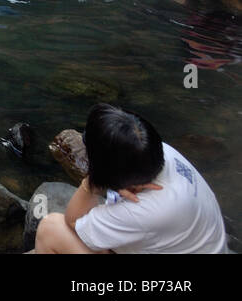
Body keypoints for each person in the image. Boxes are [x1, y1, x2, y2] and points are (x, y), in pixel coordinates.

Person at [34, 104, 227, 253]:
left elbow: (73, 221)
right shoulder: (161, 153)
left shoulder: (144, 211)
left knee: (50, 229)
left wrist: (90, 184)